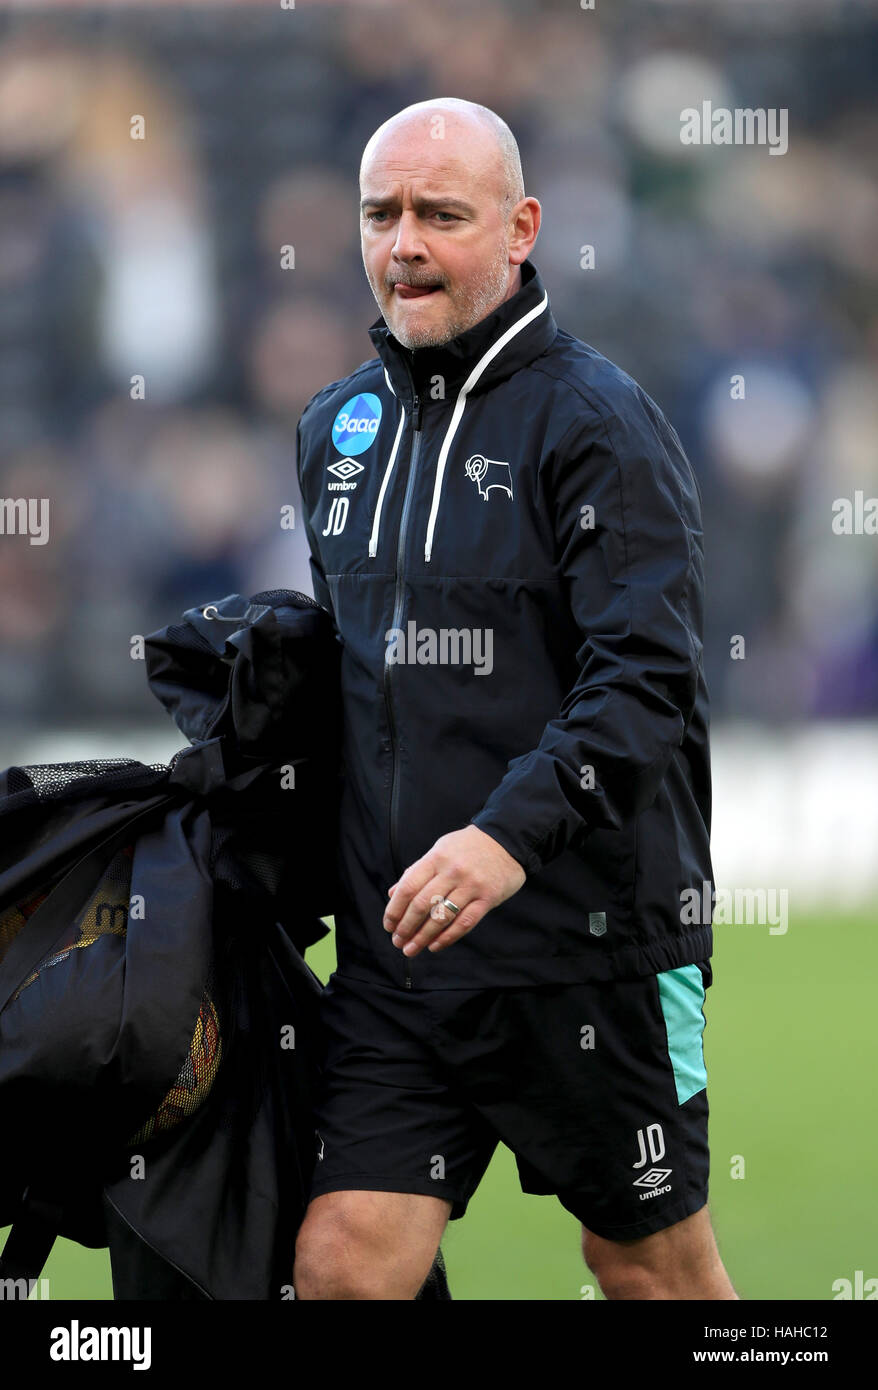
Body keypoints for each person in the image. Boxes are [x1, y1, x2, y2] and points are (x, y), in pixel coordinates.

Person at [292, 97, 737, 1300]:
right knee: (343, 1266)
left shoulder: (599, 425)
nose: (404, 246)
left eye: (440, 215)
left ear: (521, 226)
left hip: (584, 945)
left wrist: (502, 840)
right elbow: (358, 687)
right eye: (381, 215)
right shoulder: (336, 429)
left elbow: (644, 684)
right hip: (404, 951)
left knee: (646, 1267)